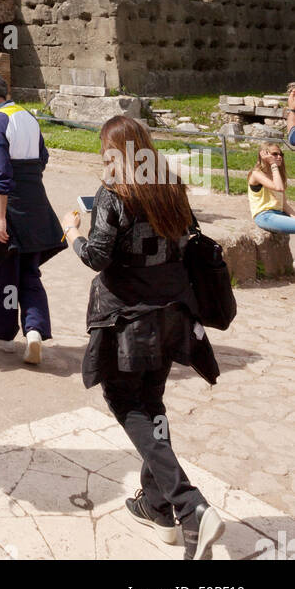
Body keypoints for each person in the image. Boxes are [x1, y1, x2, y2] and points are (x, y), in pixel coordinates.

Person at [61, 115, 224, 561]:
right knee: (152, 403)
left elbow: (97, 257)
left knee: (124, 400)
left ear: (116, 151)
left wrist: (74, 232)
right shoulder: (170, 186)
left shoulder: (115, 194)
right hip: (173, 312)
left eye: (104, 148)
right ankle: (157, 507)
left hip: (129, 320)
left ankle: (192, 505)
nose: (101, 156)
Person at [0, 71, 65, 363]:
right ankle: (35, 329)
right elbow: (43, 158)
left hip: (10, 209)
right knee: (29, 271)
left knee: (5, 271)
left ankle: (2, 333)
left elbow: (1, 174)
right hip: (35, 203)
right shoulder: (28, 117)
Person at [247, 142, 295, 233]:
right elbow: (279, 188)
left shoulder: (276, 176)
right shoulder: (256, 174)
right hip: (265, 216)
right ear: (264, 155)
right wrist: (273, 164)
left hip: (280, 213)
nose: (279, 157)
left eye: (281, 154)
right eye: (275, 154)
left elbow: (284, 205)